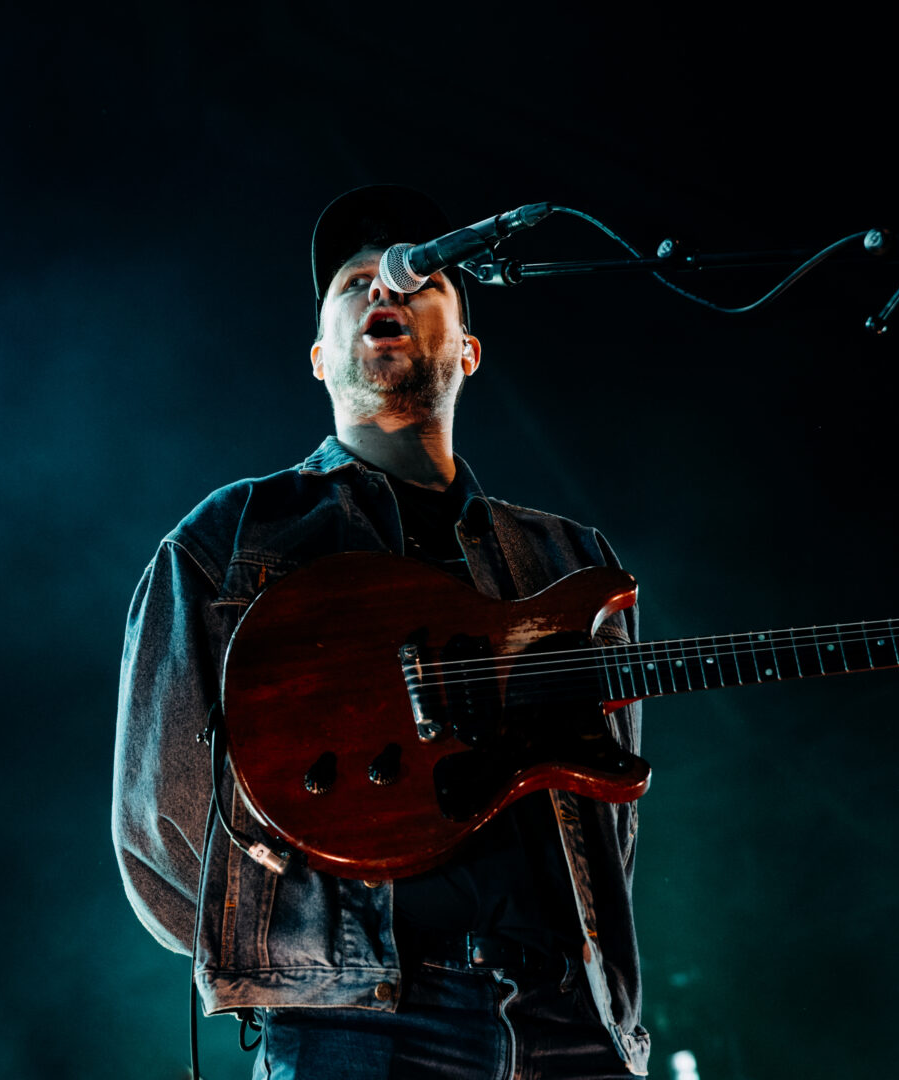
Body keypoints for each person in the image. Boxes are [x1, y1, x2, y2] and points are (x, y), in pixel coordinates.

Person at [112, 185, 649, 1079]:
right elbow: (160, 831)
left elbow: (610, 810)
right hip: (354, 1034)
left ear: (470, 351)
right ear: (320, 358)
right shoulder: (226, 543)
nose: (385, 288)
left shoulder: (569, 558)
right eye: (355, 281)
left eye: (419, 277)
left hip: (571, 1025)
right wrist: (301, 956)